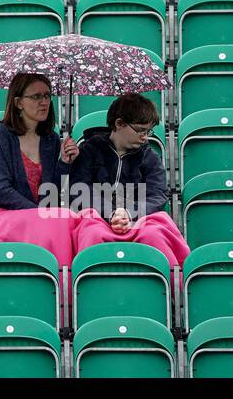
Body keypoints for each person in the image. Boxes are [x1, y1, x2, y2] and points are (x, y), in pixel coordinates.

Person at [0, 72, 87, 269]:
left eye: (47, 95)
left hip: (37, 218)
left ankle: (66, 282)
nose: (44, 102)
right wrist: (40, 213)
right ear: (18, 102)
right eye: (36, 96)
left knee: (75, 219)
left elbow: (50, 192)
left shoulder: (50, 139)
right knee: (58, 221)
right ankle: (60, 281)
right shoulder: (0, 135)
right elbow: (1, 192)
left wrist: (65, 163)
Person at [71, 91, 190, 268]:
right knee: (92, 234)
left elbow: (157, 194)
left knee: (154, 235)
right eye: (140, 130)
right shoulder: (90, 151)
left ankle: (169, 288)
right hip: (98, 218)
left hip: (140, 219)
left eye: (148, 131)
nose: (145, 136)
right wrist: (111, 213)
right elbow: (81, 191)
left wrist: (128, 213)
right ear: (119, 124)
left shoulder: (149, 156)